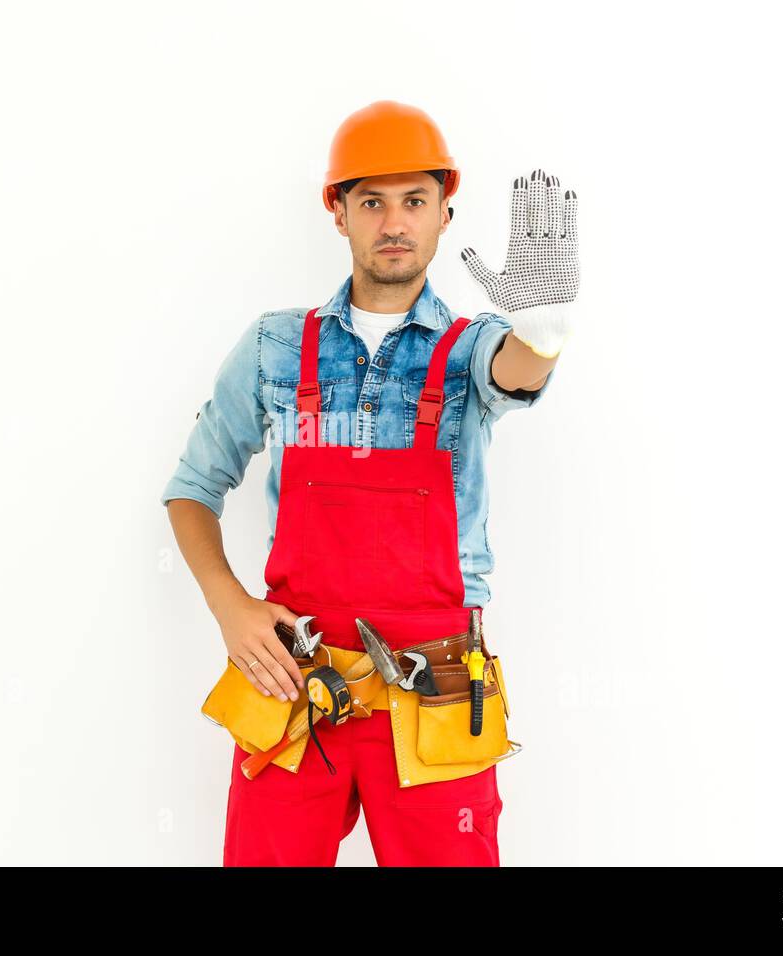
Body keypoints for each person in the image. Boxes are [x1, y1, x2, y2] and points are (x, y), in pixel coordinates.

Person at [161, 100, 579, 866]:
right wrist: (231, 608)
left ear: (445, 212)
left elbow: (514, 374)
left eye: (414, 201)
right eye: (372, 201)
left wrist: (542, 335)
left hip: (438, 695)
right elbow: (193, 487)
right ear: (339, 212)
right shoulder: (274, 349)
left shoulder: (470, 348)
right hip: (295, 686)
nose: (394, 221)